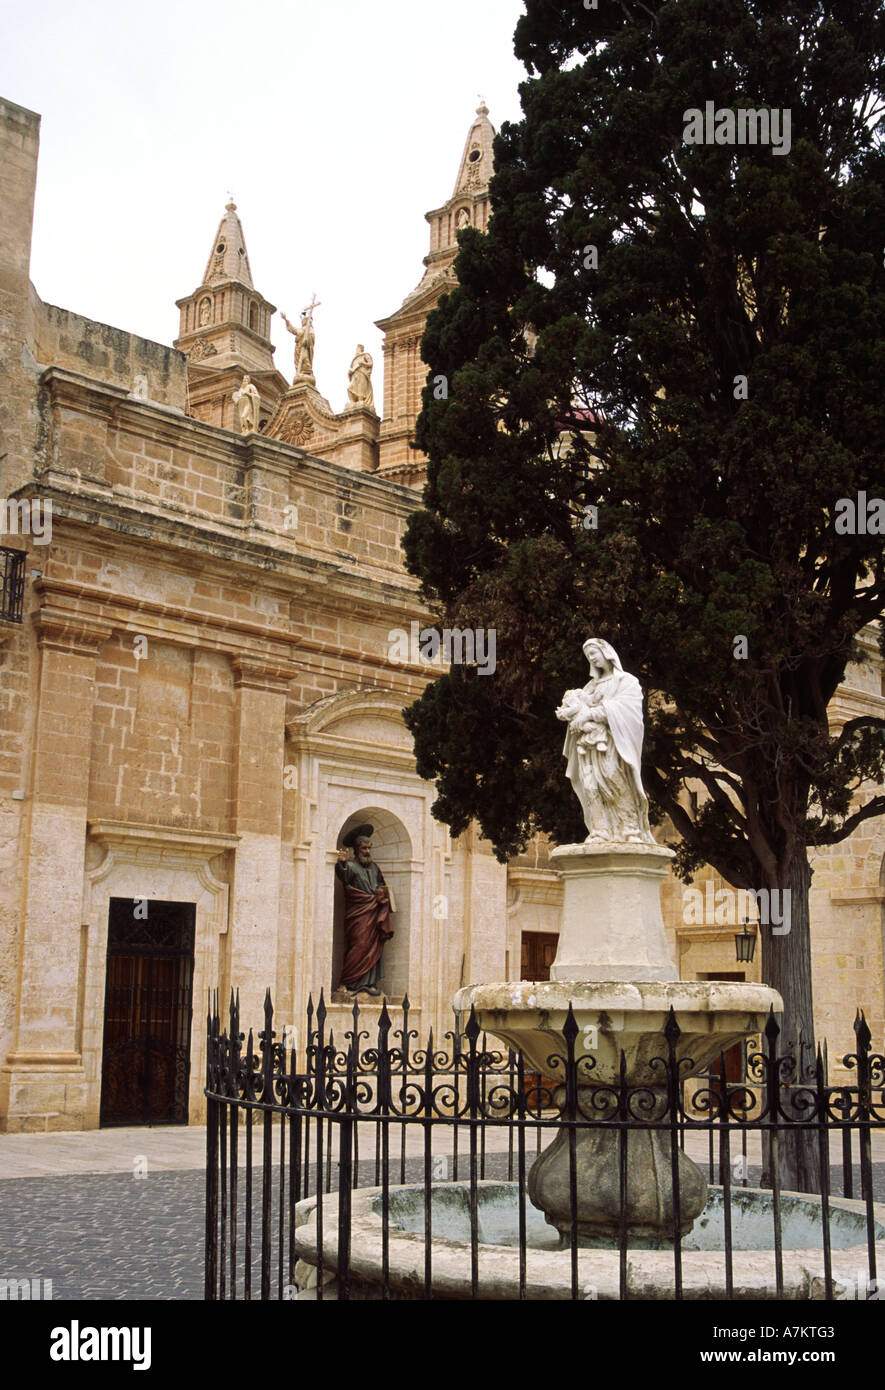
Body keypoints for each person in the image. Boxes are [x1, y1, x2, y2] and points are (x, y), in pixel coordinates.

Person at [556, 638, 654, 844]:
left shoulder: (626, 682)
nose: (592, 657)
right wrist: (576, 719)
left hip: (612, 744)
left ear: (606, 652)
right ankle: (600, 830)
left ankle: (630, 828)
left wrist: (590, 715)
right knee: (590, 784)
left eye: (594, 652)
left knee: (613, 778)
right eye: (588, 655)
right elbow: (576, 708)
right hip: (586, 746)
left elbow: (627, 710)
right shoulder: (589, 687)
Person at [334, 824, 394, 997]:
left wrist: (381, 893)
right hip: (358, 914)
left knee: (374, 947)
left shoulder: (374, 868)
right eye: (363, 848)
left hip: (374, 912)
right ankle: (348, 982)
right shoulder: (351, 867)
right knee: (359, 945)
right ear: (356, 849)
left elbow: (382, 884)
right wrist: (342, 863)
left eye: (369, 848)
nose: (367, 851)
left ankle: (369, 982)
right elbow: (343, 876)